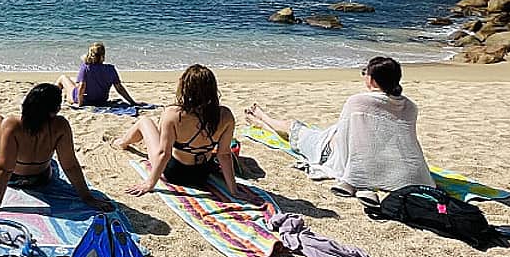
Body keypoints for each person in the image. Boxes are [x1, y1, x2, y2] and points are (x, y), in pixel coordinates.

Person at [244, 56, 435, 196]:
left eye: (365, 73)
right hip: (380, 156)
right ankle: (261, 121)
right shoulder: (410, 106)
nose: (364, 76)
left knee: (293, 127)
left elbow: (344, 137)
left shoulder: (358, 101)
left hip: (330, 151)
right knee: (301, 132)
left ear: (372, 80)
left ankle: (262, 118)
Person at [0, 83, 115, 220]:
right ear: (56, 109)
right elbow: (70, 166)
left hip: (12, 178)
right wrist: (87, 197)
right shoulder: (61, 125)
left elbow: (4, 169)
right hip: (41, 178)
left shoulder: (13, 124)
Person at [113, 64, 245, 197]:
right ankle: (123, 142)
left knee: (145, 122)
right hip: (203, 174)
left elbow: (164, 154)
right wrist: (233, 190)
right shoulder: (225, 115)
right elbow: (224, 155)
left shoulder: (173, 114)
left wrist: (150, 184)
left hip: (175, 173)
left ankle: (122, 143)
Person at [56, 42, 138, 107]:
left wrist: (80, 104)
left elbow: (82, 87)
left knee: (63, 78)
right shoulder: (111, 69)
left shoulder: (86, 67)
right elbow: (119, 88)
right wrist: (132, 102)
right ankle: (65, 96)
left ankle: (53, 101)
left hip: (85, 100)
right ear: (103, 56)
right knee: (74, 80)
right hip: (101, 100)